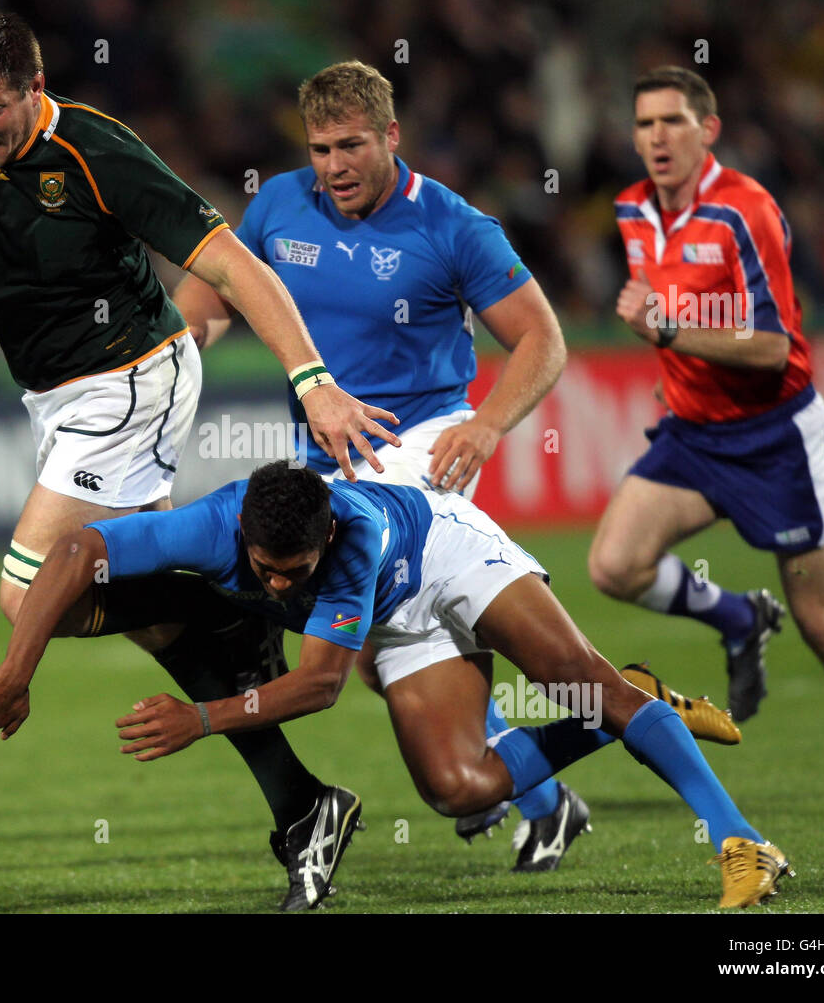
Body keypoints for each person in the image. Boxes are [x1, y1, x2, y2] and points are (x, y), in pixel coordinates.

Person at [0, 8, 402, 908]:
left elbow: (233, 266)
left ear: (35, 90)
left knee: (31, 590)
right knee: (147, 616)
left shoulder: (98, 153)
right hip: (50, 395)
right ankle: (299, 791)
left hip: (133, 378)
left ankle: (233, 607)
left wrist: (313, 380)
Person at [174, 60, 735, 871]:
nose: (333, 167)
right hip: (326, 458)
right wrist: (187, 345)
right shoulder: (279, 205)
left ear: (392, 136)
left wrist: (488, 424)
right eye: (320, 148)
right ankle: (550, 788)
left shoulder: (452, 225)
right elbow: (215, 295)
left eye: (352, 146)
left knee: (360, 627)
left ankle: (619, 717)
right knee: (380, 662)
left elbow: (542, 338)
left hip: (418, 452)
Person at [0, 460, 789, 910]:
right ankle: (631, 700)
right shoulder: (218, 525)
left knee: (581, 681)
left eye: (296, 573)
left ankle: (742, 840)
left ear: (326, 534)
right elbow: (78, 550)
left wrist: (203, 716)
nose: (282, 588)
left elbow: (322, 684)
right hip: (406, 625)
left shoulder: (352, 540)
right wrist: (16, 670)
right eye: (267, 573)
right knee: (460, 789)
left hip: (452, 559)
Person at [587, 66, 824, 817]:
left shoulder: (745, 210)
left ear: (709, 130)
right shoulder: (631, 210)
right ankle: (737, 616)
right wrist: (674, 370)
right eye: (644, 124)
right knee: (613, 564)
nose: (656, 138)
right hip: (695, 437)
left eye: (673, 122)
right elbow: (683, 320)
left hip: (774, 440)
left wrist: (667, 331)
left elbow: (774, 348)